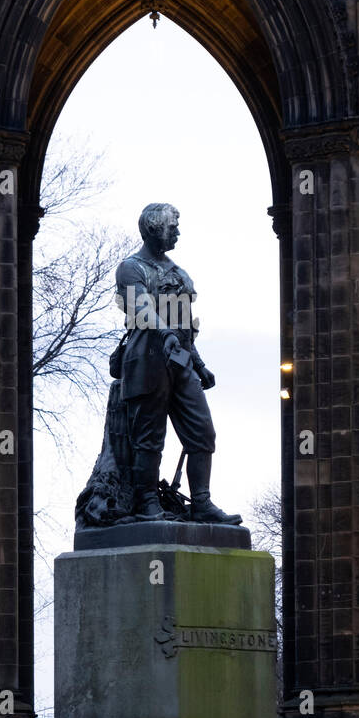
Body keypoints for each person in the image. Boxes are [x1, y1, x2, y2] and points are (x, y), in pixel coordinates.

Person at [114, 202, 241, 524]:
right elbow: (140, 307)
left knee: (203, 433)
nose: (178, 232)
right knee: (149, 439)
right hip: (146, 357)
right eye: (173, 227)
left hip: (179, 361)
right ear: (155, 229)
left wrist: (198, 364)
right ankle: (146, 503)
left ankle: (202, 503)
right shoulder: (132, 268)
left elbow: (184, 325)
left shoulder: (179, 273)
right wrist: (164, 331)